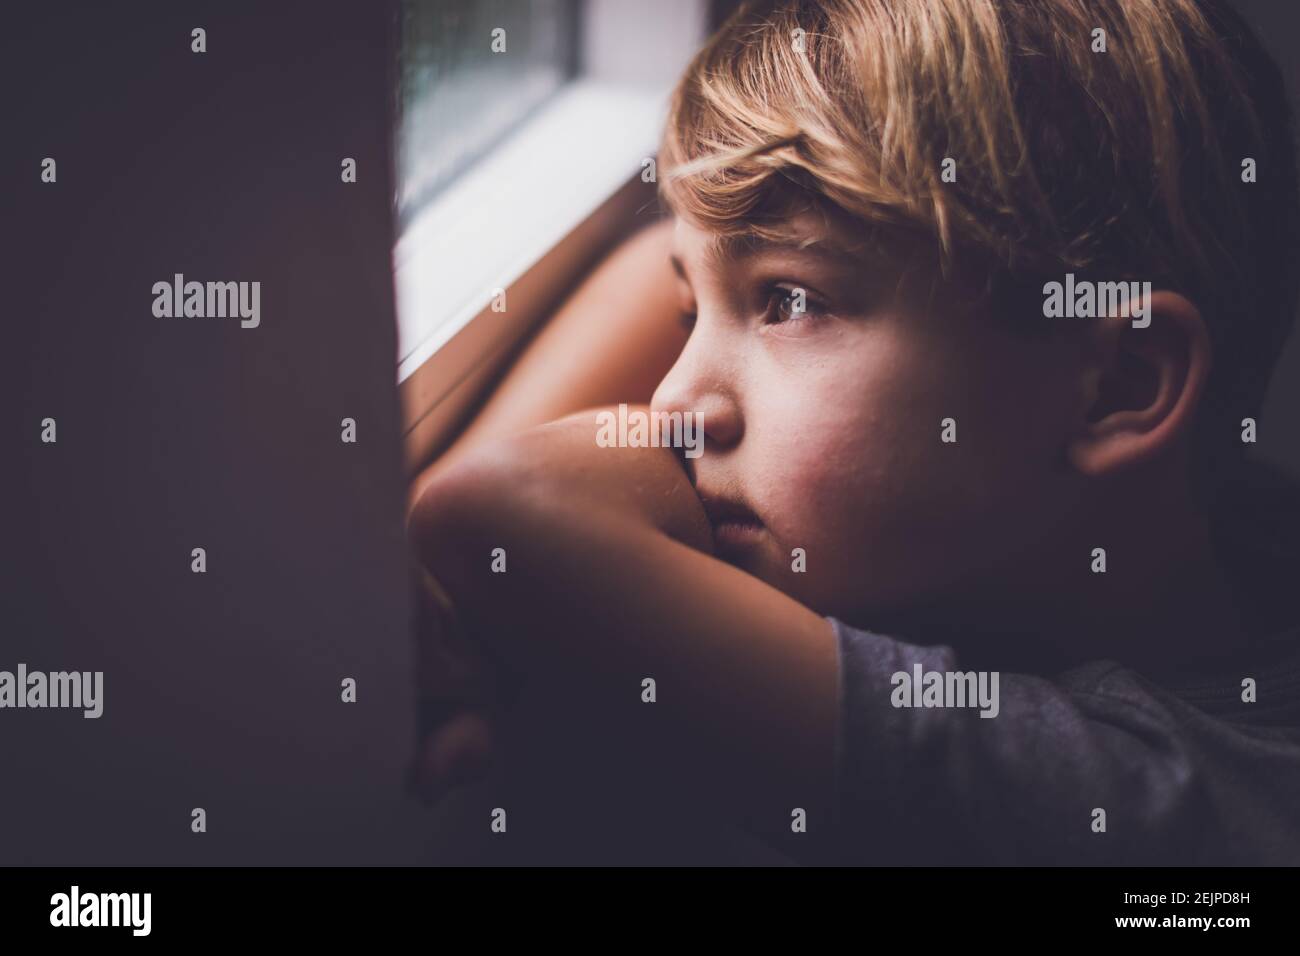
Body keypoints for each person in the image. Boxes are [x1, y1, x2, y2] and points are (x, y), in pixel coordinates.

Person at [406, 0, 1300, 864]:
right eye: (694, 312)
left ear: (1119, 386)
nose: (673, 406)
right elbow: (656, 259)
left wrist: (455, 602)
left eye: (790, 302)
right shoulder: (1153, 549)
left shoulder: (1145, 806)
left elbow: (503, 510)